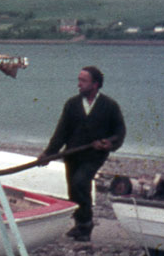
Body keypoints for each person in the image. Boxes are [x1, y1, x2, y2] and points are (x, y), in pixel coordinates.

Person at [37, 66, 126, 242]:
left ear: (95, 84)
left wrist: (109, 143)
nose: (79, 84)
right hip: (72, 154)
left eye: (83, 81)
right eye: (79, 80)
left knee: (81, 182)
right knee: (73, 189)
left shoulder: (109, 106)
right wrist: (48, 153)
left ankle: (86, 224)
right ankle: (80, 224)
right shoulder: (72, 104)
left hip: (94, 155)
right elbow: (61, 132)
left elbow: (120, 131)